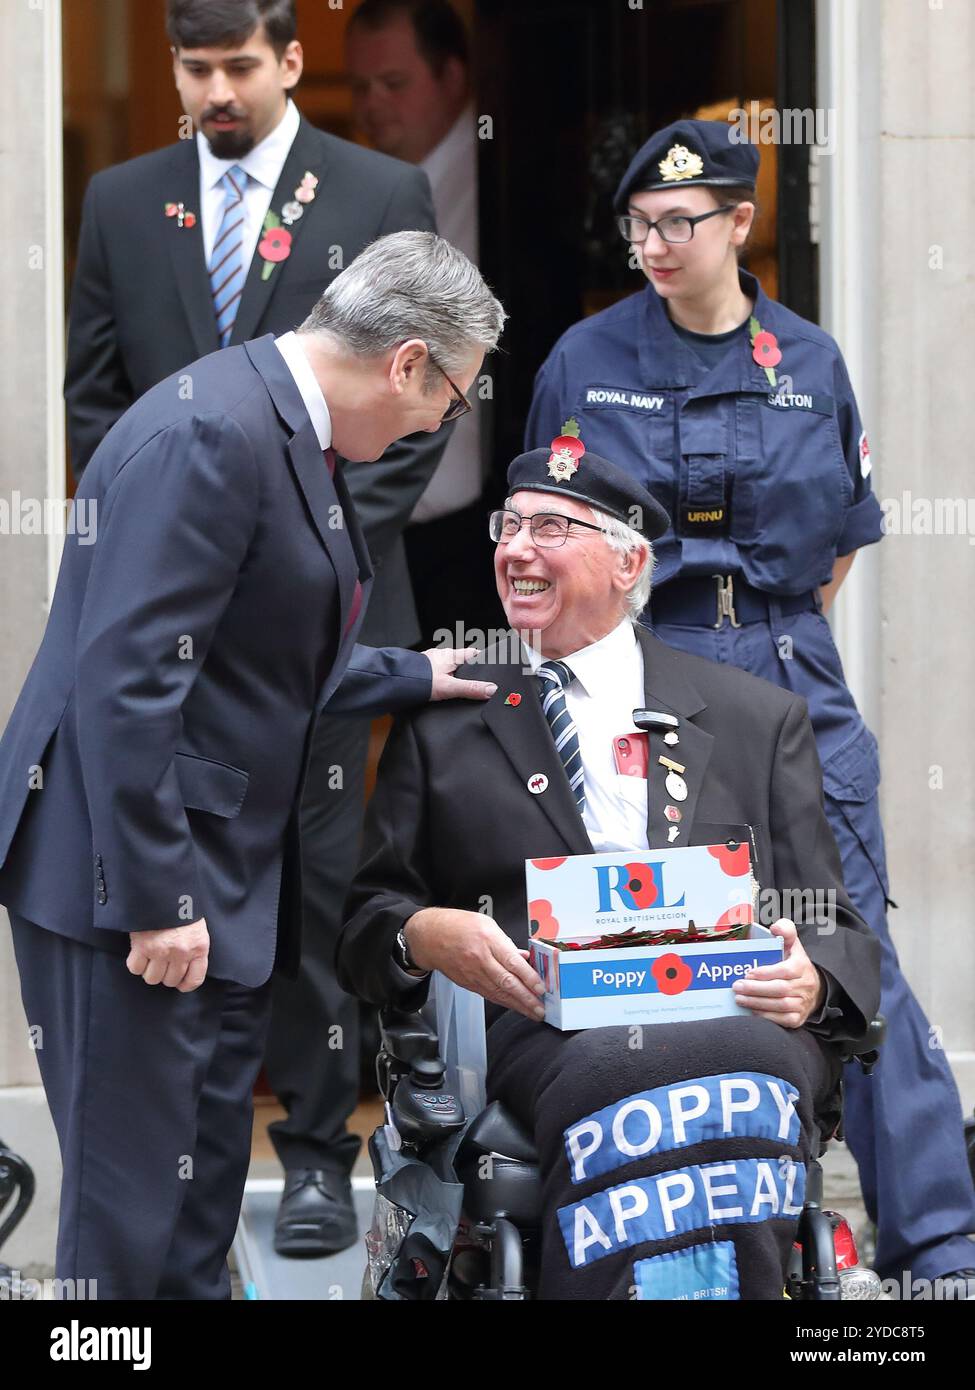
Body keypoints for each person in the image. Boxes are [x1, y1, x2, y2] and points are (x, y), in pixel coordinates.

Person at [0, 231, 505, 1300]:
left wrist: (411, 676)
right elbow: (127, 680)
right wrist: (157, 898)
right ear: (408, 362)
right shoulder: (215, 435)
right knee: (127, 1226)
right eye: (450, 400)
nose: (437, 425)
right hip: (132, 889)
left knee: (194, 1208)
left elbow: (251, 652)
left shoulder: (273, 421)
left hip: (208, 884)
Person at [524, 118, 975, 1296]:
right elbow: (548, 534)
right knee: (662, 937)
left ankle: (937, 1246)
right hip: (647, 662)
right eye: (641, 227)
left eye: (681, 223)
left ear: (740, 223)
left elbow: (838, 552)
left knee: (850, 944)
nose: (658, 245)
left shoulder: (809, 361)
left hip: (784, 658)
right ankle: (679, 1225)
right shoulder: (584, 358)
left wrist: (760, 640)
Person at [64, 0, 454, 1258]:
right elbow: (99, 407)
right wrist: (180, 544)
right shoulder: (126, 203)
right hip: (177, 613)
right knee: (179, 908)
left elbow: (396, 426)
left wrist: (300, 547)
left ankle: (318, 1148)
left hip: (324, 610)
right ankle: (154, 1244)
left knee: (313, 882)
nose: (217, 88)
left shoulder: (381, 186)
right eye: (196, 66)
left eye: (242, 64)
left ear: (293, 61)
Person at [337, 441, 881, 1300]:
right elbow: (366, 927)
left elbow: (839, 930)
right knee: (624, 1069)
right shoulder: (446, 718)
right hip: (542, 1026)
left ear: (628, 560)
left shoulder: (754, 717)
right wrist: (423, 932)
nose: (516, 549)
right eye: (507, 526)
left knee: (733, 1061)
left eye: (550, 528)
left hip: (737, 1009)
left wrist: (812, 980)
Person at [347, 0, 500, 645]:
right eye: (361, 86)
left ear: (452, 78)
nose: (374, 103)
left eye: (395, 83)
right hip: (382, 517)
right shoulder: (367, 187)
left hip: (474, 520)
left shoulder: (498, 175)